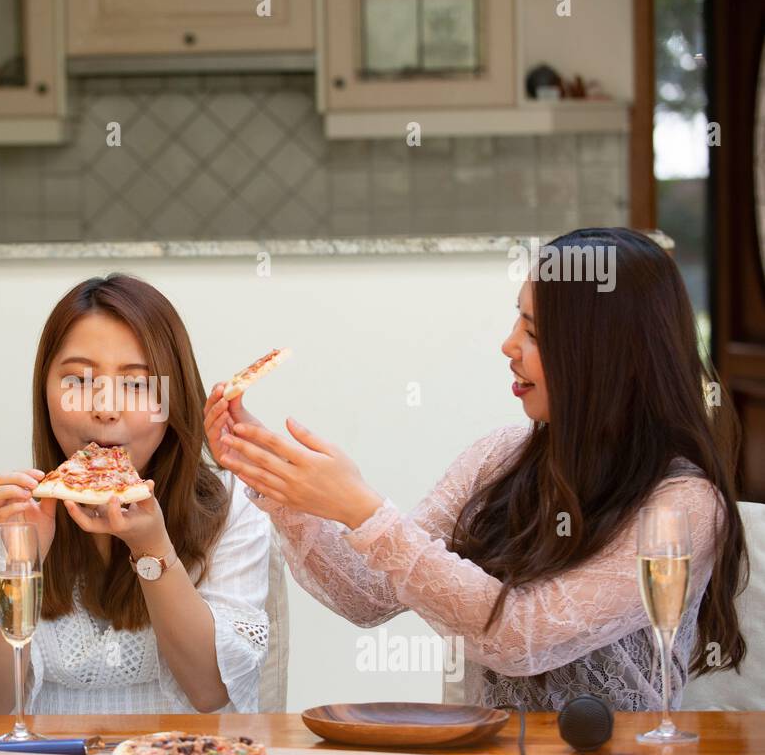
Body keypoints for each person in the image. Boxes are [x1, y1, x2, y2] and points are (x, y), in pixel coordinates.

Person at [208, 228, 747, 710]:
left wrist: (364, 510)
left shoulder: (685, 505)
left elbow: (524, 635)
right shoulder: (500, 457)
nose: (508, 344)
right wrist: (273, 477)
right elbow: (367, 595)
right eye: (518, 319)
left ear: (603, 354)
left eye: (534, 333)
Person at [0, 273, 272, 714]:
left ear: (172, 400)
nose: (103, 408)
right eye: (77, 380)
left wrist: (151, 548)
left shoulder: (234, 508)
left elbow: (211, 691)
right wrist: (21, 561)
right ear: (45, 391)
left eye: (136, 385)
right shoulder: (0, 513)